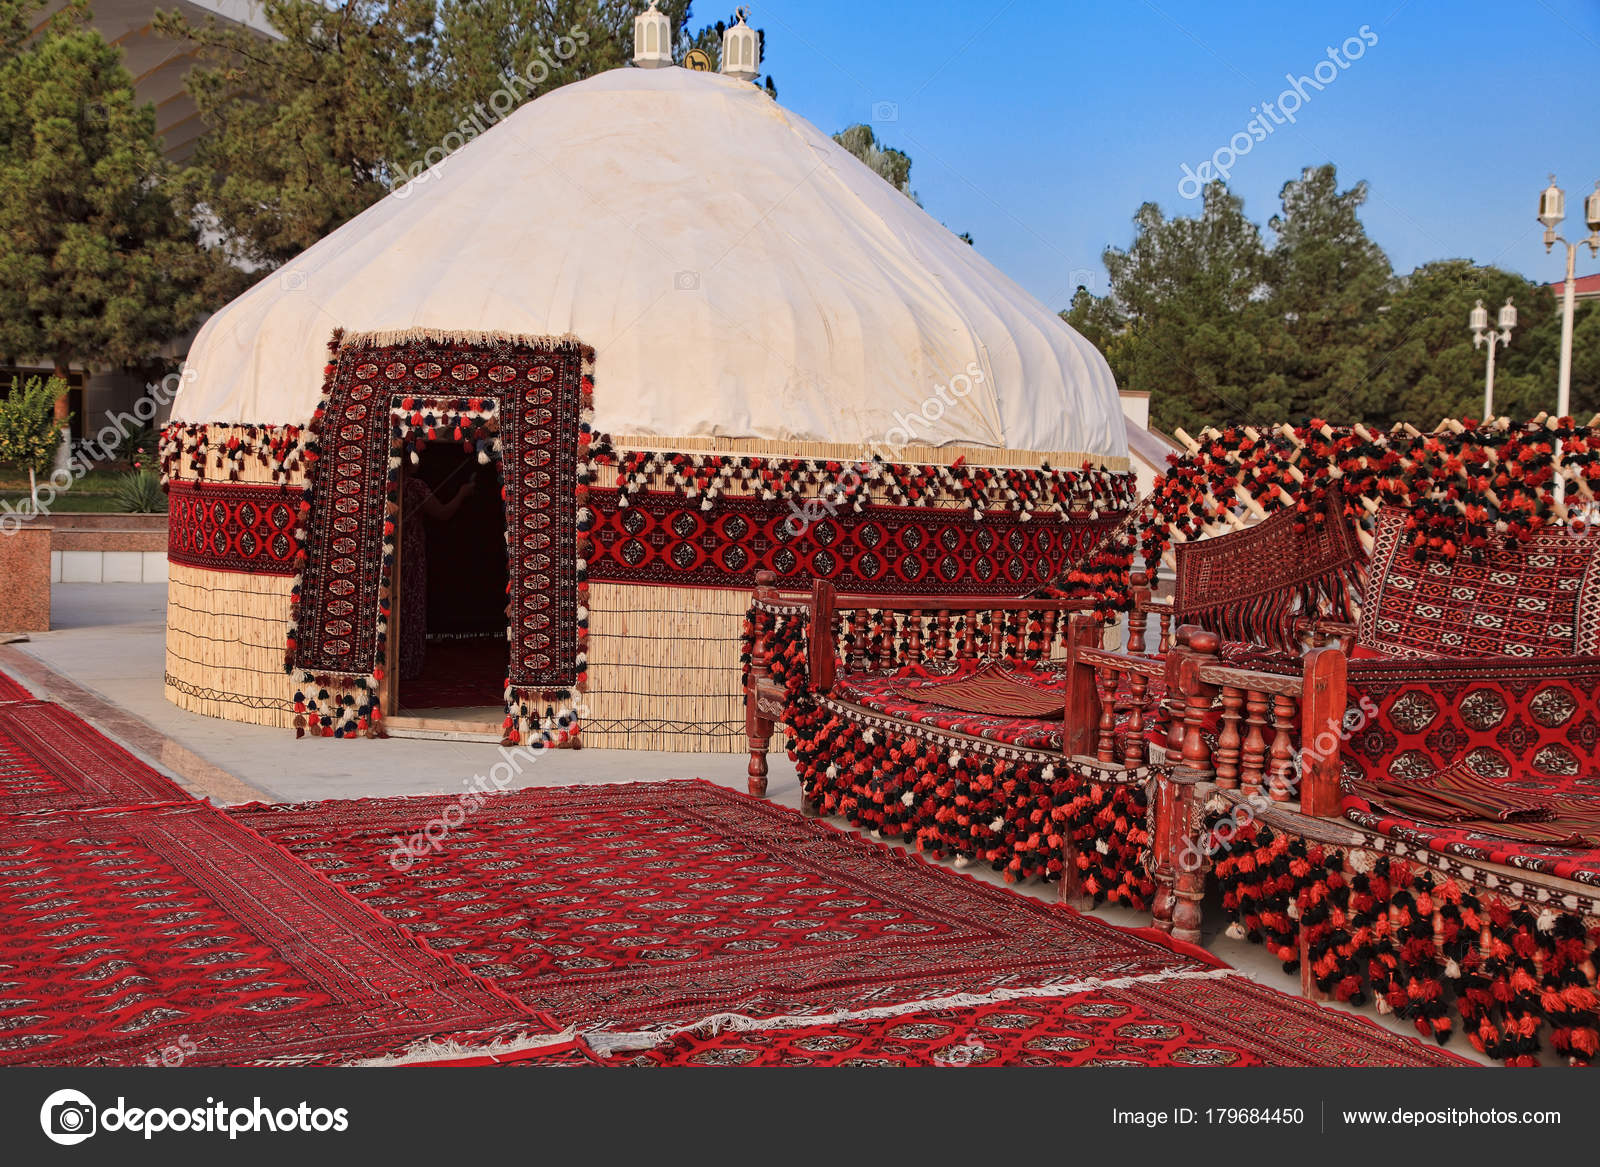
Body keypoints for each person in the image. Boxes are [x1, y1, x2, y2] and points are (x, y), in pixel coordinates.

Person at [399, 472, 477, 679]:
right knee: (410, 606)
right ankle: (407, 663)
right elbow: (442, 512)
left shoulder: (390, 485)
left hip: (395, 553)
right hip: (410, 555)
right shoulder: (413, 485)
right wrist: (462, 494)